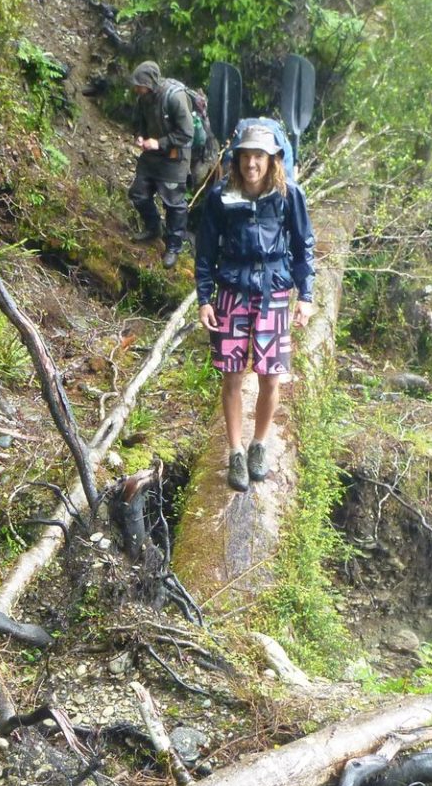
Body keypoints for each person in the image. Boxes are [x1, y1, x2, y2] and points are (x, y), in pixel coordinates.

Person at [194, 122, 315, 492]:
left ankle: (259, 444)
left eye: (259, 156)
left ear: (272, 159)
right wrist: (203, 299)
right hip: (231, 293)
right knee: (231, 375)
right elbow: (204, 252)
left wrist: (306, 296)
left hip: (273, 294)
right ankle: (235, 451)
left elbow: (303, 245)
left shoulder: (288, 195)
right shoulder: (220, 197)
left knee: (270, 375)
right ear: (237, 159)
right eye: (246, 155)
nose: (252, 163)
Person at [127, 61, 194, 269]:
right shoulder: (143, 99)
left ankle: (173, 246)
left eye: (141, 85)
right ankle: (153, 228)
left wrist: (160, 142)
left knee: (174, 204)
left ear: (151, 83)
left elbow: (186, 133)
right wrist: (139, 136)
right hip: (151, 157)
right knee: (138, 193)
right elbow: (138, 123)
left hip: (174, 158)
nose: (137, 89)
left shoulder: (174, 98)